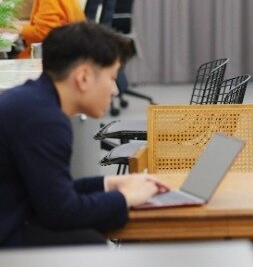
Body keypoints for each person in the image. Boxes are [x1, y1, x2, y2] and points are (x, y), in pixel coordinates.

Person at [0, 22, 163, 247]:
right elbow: (62, 212)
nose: (115, 90)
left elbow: (53, 192)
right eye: (112, 77)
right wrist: (126, 197)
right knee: (87, 242)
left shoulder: (33, 102)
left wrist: (110, 184)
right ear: (83, 77)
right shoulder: (44, 120)